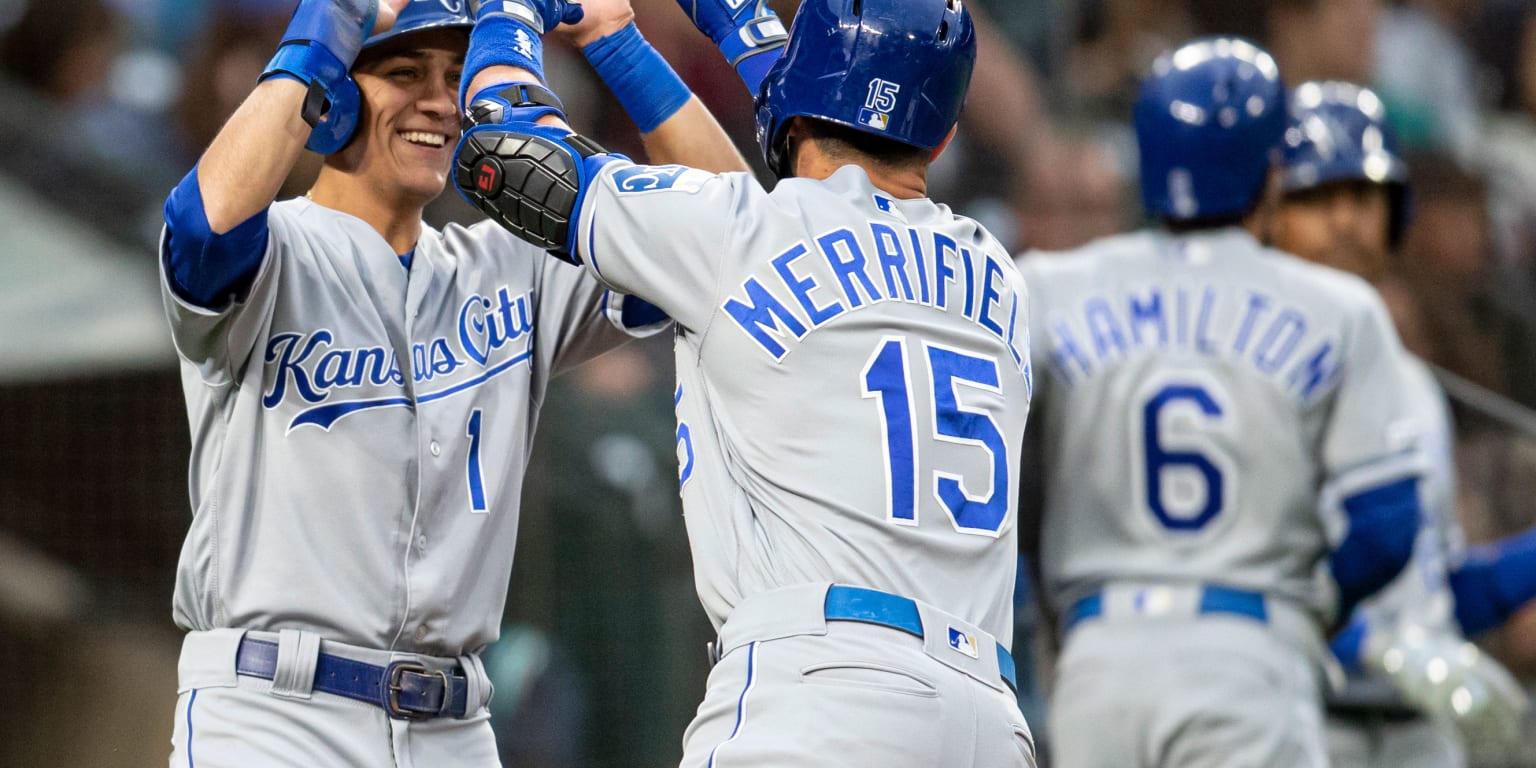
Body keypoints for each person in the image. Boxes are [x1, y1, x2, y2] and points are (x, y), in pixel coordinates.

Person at [157, 0, 749, 763]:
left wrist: (618, 46)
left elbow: (734, 243)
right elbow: (201, 227)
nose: (440, 101)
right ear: (333, 95)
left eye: (454, 77)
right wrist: (324, 30)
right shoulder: (270, 253)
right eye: (406, 73)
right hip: (276, 712)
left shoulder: (508, 267)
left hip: (453, 726)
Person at [453, 0, 1037, 764]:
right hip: (988, 714)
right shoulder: (997, 272)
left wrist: (508, 15)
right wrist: (627, 43)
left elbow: (509, 159)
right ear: (947, 134)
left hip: (821, 694)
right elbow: (828, 153)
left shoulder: (743, 232)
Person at [1014, 37, 1424, 767]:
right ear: (1272, 174)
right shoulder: (1338, 306)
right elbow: (1387, 525)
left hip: (1098, 660)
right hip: (1247, 647)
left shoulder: (1047, 286)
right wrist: (1319, 606)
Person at [1272, 79, 1536, 768]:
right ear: (1268, 212)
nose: (1344, 223)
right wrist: (1375, 647)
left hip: (1415, 732)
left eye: (1364, 198)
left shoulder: (1413, 387)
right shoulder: (1251, 371)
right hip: (1297, 717)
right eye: (1316, 198)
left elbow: (1435, 596)